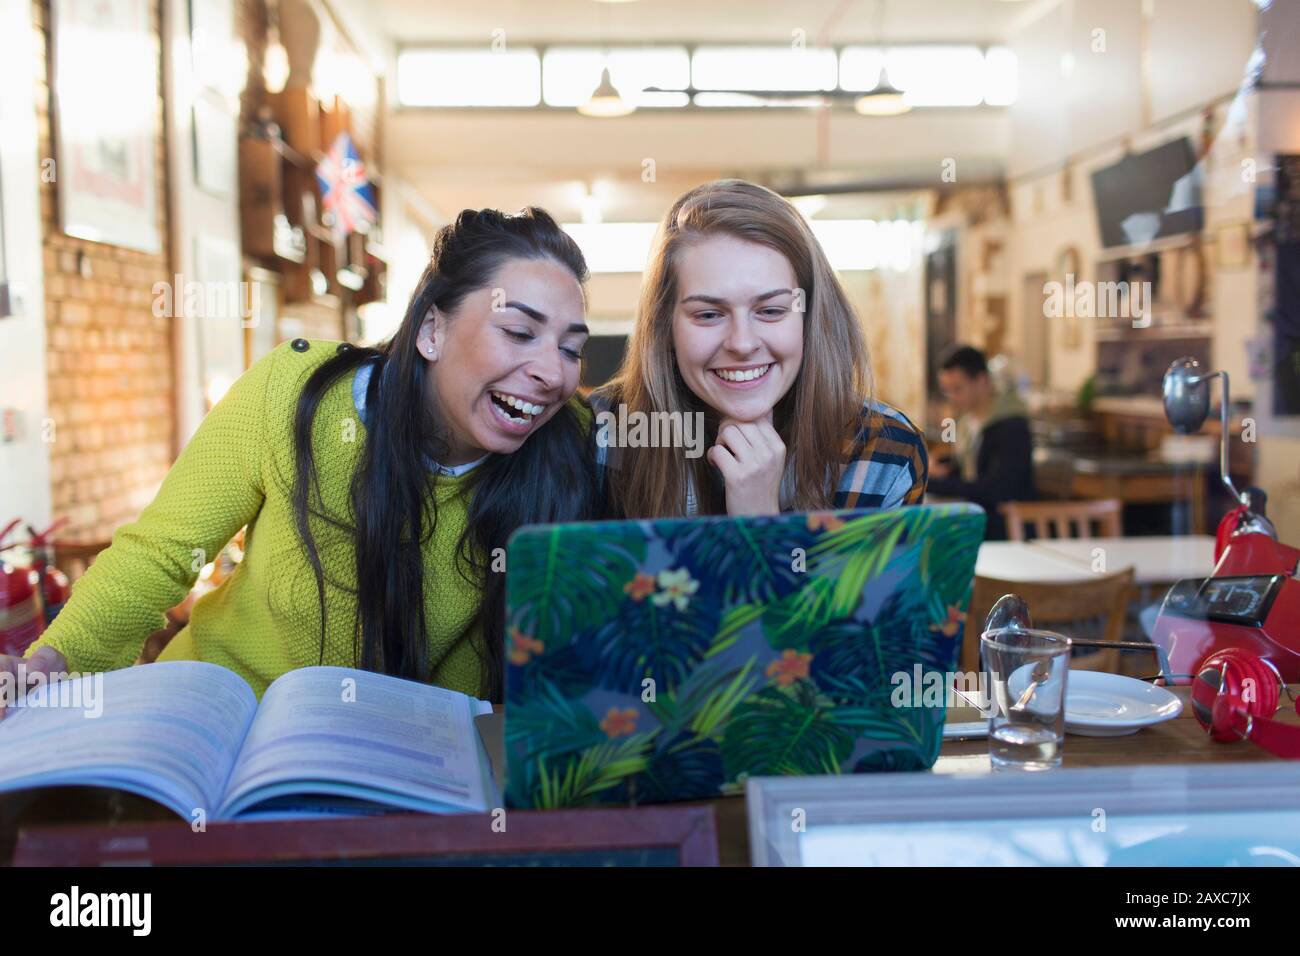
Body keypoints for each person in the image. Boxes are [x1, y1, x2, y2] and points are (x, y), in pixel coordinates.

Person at [3, 207, 597, 711]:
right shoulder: (295, 392)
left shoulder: (568, 442)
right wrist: (52, 664)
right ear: (431, 331)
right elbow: (159, 555)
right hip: (226, 719)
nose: (551, 373)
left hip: (416, 756)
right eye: (519, 333)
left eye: (571, 348)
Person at [594, 178, 927, 518]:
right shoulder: (604, 431)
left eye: (771, 311)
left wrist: (759, 519)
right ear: (665, 326)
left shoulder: (882, 451)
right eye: (708, 314)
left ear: (809, 318)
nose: (742, 343)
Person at [928, 344, 1035, 539]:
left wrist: (930, 482)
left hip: (1005, 530)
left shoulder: (1011, 425)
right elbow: (970, 469)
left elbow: (995, 490)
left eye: (957, 389)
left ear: (982, 380)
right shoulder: (968, 421)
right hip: (978, 519)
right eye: (947, 390)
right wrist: (943, 469)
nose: (952, 397)